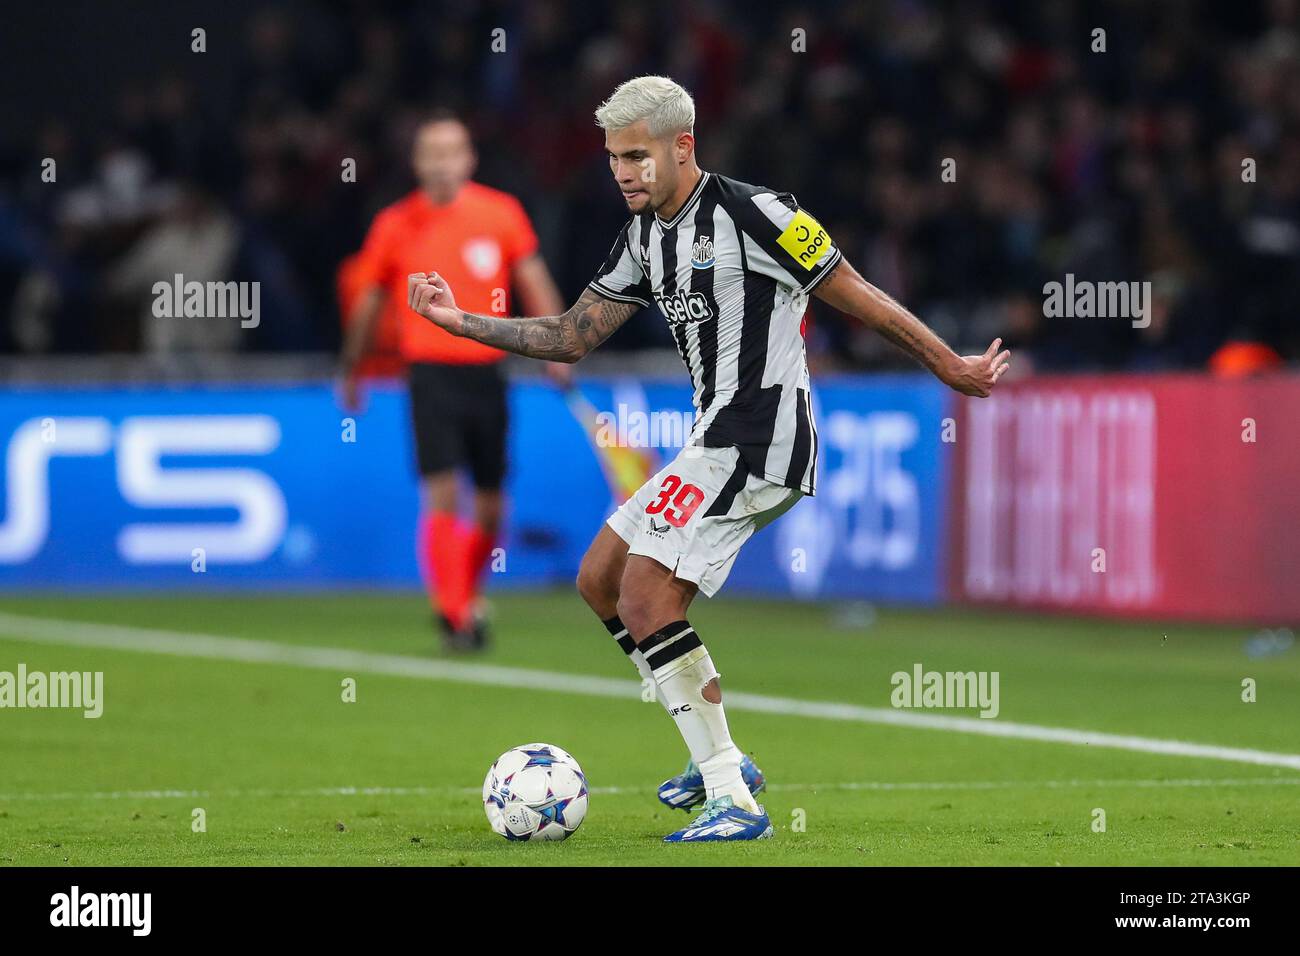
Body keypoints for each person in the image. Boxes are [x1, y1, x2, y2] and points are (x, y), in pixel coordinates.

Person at [406, 77, 1010, 841]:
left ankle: (732, 795)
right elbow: (572, 334)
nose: (622, 172)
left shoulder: (760, 213)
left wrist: (947, 365)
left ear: (681, 146)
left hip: (760, 437)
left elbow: (856, 293)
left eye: (636, 156)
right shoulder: (642, 237)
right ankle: (720, 758)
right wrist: (459, 320)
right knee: (600, 580)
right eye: (613, 158)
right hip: (714, 439)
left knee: (647, 597)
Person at [340, 111, 567, 651]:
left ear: (469, 159)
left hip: (489, 370)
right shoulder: (395, 224)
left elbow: (533, 279)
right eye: (432, 153)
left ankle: (465, 597)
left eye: (452, 152)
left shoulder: (501, 213)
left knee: (490, 505)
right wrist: (352, 367)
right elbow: (369, 301)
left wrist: (560, 347)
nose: (442, 164)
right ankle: (455, 612)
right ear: (418, 163)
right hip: (429, 375)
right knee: (442, 492)